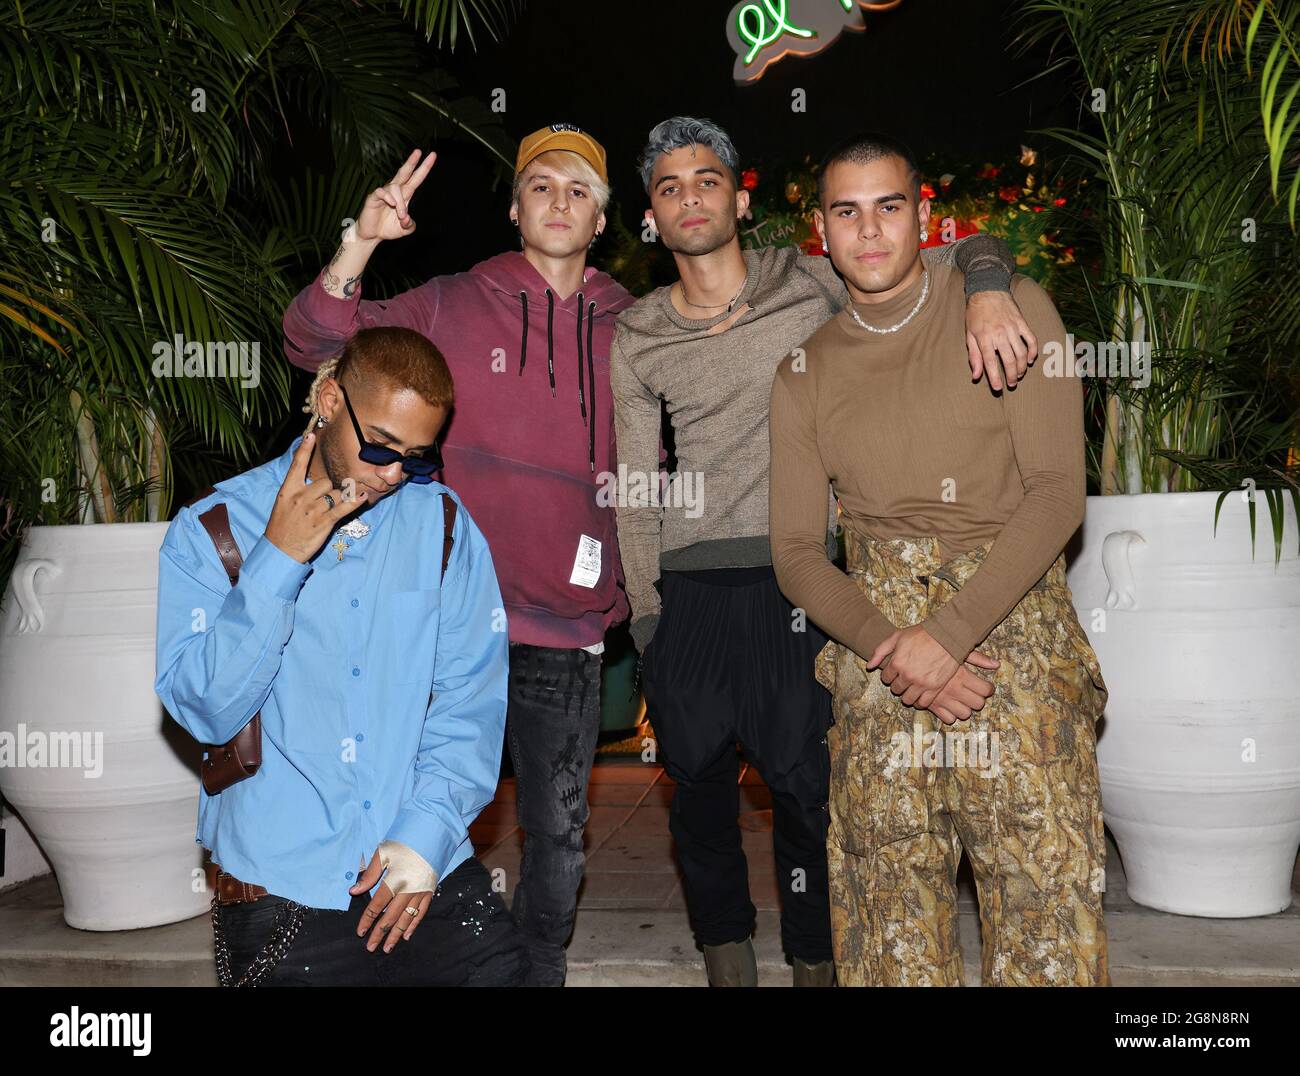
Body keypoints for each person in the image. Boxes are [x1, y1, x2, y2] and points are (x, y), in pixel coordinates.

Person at [611, 116, 1035, 987]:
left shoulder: (812, 281)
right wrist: (648, 621)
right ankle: (727, 961)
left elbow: (956, 251)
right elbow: (633, 482)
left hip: (799, 579)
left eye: (706, 180)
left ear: (740, 192)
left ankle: (814, 963)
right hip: (689, 590)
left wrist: (990, 287)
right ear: (651, 212)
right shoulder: (640, 331)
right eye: (669, 186)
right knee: (695, 795)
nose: (690, 197)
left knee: (808, 795)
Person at [281, 126, 632, 986]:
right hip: (442, 623)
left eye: (579, 190)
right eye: (541, 185)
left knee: (556, 833)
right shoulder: (452, 301)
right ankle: (400, 962)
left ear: (600, 220)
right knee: (412, 815)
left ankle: (534, 971)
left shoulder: (636, 322)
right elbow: (316, 345)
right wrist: (359, 243)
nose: (559, 200)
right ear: (514, 208)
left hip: (565, 626)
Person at [768, 132, 1109, 986]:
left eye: (890, 206)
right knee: (888, 932)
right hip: (877, 653)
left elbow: (1059, 493)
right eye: (847, 212)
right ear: (821, 228)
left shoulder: (1008, 305)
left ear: (923, 215)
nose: (870, 230)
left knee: (1045, 920)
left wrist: (948, 633)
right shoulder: (803, 371)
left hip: (1010, 629)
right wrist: (897, 646)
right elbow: (798, 552)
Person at [155, 326, 529, 986]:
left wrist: (425, 835)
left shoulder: (441, 523)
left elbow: (470, 699)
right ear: (329, 401)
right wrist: (277, 561)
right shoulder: (213, 529)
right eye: (381, 447)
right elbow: (205, 712)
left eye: (415, 458)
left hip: (424, 866)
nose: (392, 475)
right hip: (283, 891)